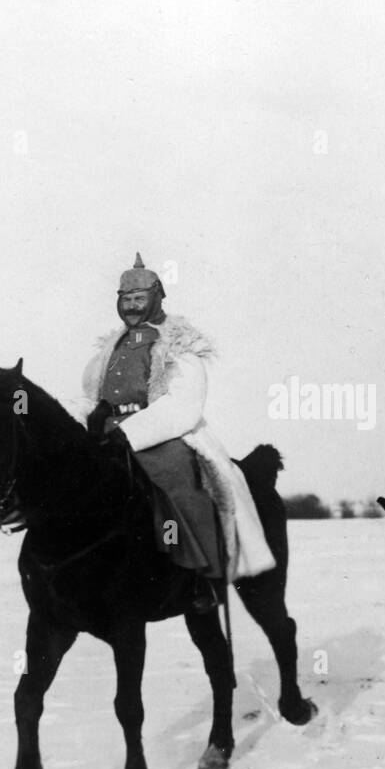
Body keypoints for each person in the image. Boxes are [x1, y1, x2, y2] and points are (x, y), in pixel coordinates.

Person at [81, 254, 276, 604]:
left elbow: (183, 404)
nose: (132, 307)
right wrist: (91, 418)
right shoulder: (110, 348)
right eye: (126, 300)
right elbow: (91, 392)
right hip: (108, 434)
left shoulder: (179, 342)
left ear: (157, 297)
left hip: (162, 432)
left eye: (139, 299)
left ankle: (199, 573)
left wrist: (129, 434)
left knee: (176, 481)